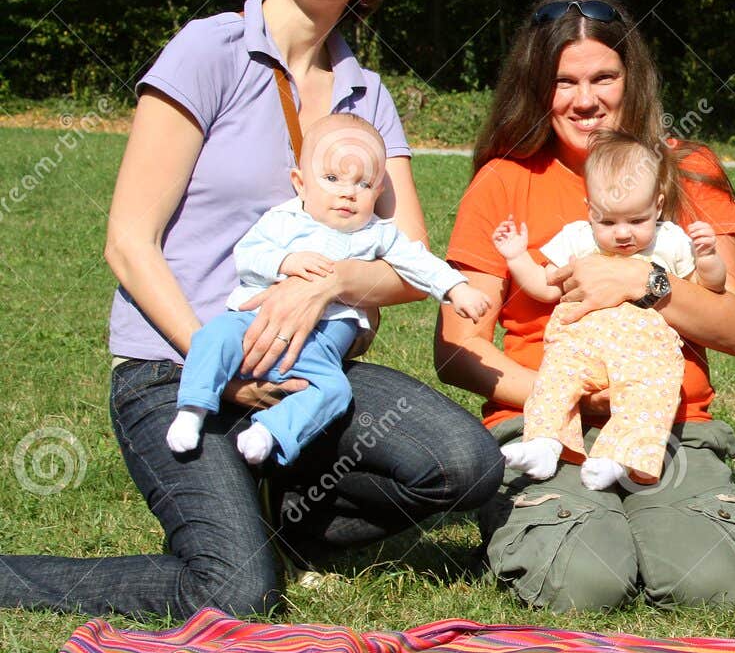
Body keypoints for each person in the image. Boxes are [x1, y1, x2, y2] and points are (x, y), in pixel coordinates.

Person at [0, 0, 502, 619]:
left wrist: (332, 283)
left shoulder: (371, 97)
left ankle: (294, 523)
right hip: (177, 366)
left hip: (311, 369)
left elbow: (407, 266)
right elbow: (128, 241)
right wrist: (223, 362)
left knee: (466, 463)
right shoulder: (210, 51)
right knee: (232, 593)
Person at [438, 0, 735, 613]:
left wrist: (646, 283)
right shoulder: (505, 179)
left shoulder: (686, 170)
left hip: (673, 425)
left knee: (709, 586)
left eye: (604, 76)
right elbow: (457, 347)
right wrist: (563, 391)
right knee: (590, 582)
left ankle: (651, 511)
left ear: (631, 78)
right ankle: (559, 516)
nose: (586, 100)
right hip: (544, 421)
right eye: (564, 82)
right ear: (536, 87)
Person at [167, 115, 493, 467]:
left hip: (320, 348)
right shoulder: (284, 220)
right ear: (301, 183)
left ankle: (270, 432)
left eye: (363, 184)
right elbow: (246, 255)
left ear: (378, 192)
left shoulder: (377, 233)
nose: (347, 192)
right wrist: (285, 261)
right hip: (253, 325)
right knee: (213, 336)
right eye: (332, 178)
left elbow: (419, 262)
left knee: (334, 392)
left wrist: (457, 288)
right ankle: (193, 409)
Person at [492, 130, 727, 489]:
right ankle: (542, 443)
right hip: (579, 340)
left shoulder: (672, 241)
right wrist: (516, 257)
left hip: (645, 348)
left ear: (659, 206)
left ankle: (619, 457)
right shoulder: (577, 237)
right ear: (590, 210)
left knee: (653, 389)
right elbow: (544, 286)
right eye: (607, 221)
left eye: (636, 221)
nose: (622, 234)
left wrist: (708, 258)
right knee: (555, 379)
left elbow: (706, 288)